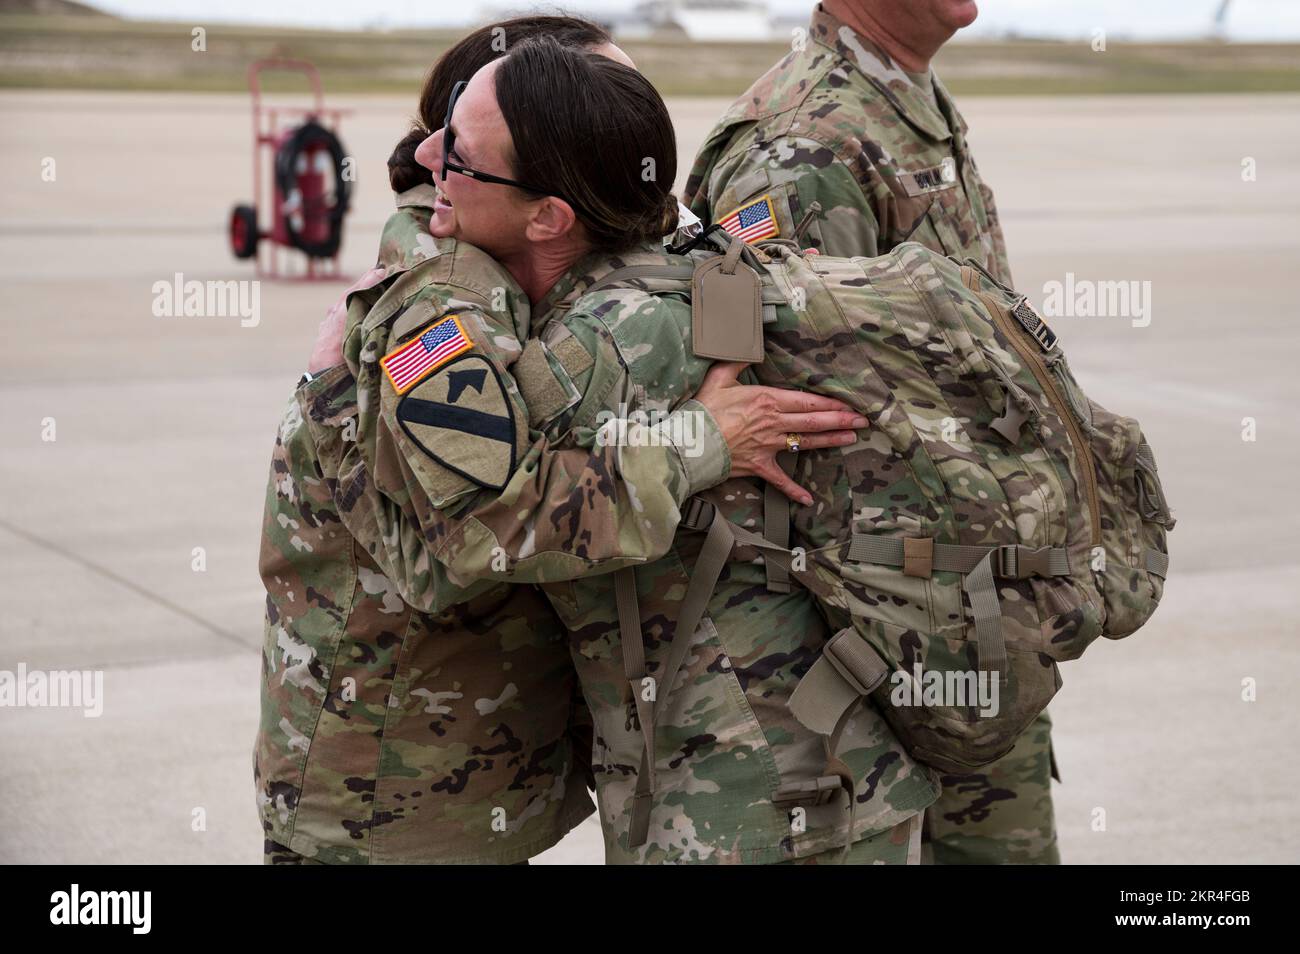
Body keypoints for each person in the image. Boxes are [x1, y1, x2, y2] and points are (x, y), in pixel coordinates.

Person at [309, 38, 940, 864]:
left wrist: (328, 397)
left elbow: (454, 551)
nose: (424, 159)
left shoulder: (594, 349)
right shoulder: (709, 269)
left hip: (740, 803)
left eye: (456, 154)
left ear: (549, 216)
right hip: (836, 768)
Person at [684, 0, 1058, 865]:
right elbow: (798, 426)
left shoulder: (910, 105)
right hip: (887, 642)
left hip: (970, 609)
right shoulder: (803, 145)